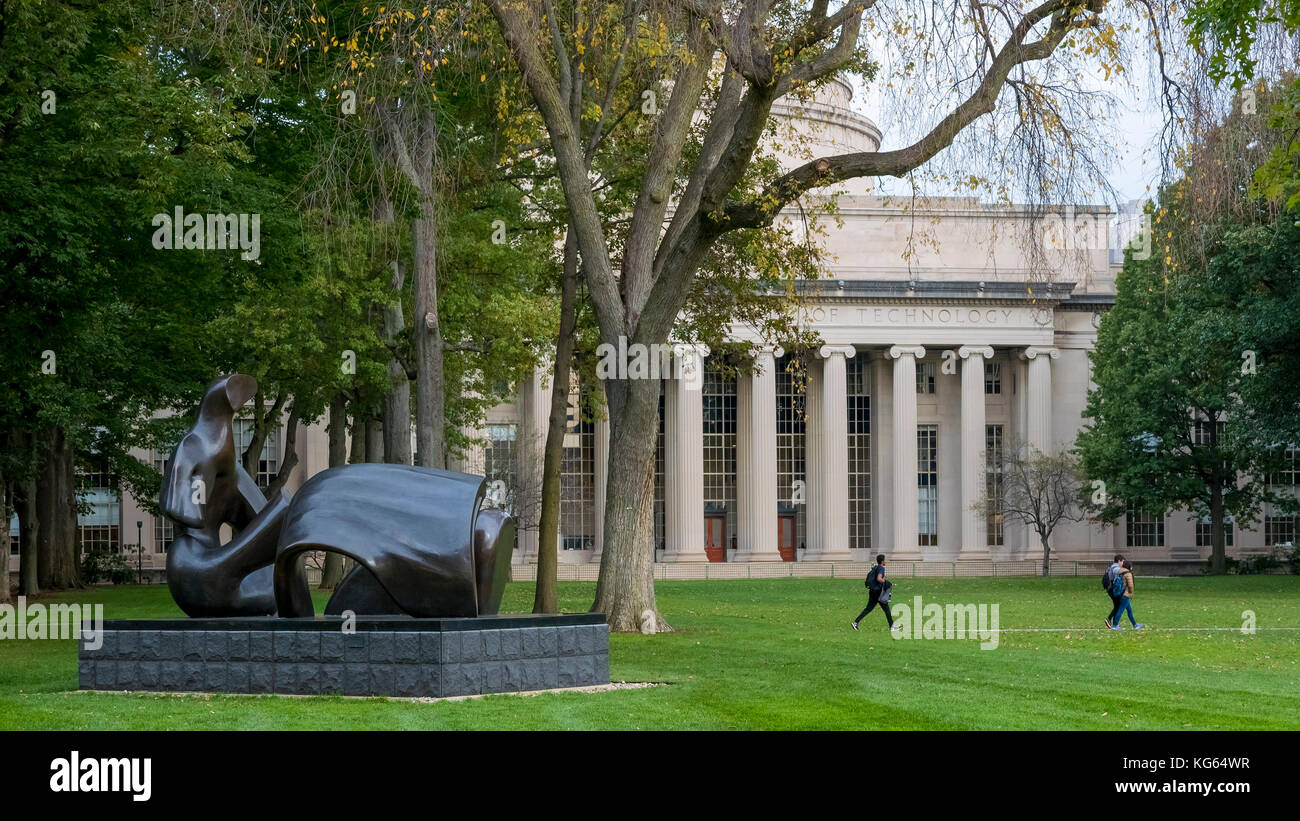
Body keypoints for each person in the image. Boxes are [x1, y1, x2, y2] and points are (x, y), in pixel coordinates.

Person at [852, 553, 902, 632]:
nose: (886, 561)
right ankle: (892, 627)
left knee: (868, 609)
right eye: (885, 560)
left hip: (872, 591)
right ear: (882, 561)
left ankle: (855, 622)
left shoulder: (875, 567)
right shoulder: (881, 568)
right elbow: (879, 578)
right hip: (878, 592)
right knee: (886, 609)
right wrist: (887, 582)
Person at [1111, 559, 1143, 630]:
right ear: (1129, 566)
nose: (1132, 567)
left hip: (1121, 594)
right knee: (1121, 610)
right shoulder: (1128, 574)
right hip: (1125, 595)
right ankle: (1115, 625)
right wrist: (1131, 593)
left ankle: (1135, 625)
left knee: (1129, 610)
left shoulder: (1120, 572)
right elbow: (1130, 585)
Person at [1104, 554, 1125, 628]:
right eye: (1122, 561)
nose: (1123, 563)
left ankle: (1113, 622)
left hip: (1110, 589)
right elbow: (1117, 573)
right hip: (1113, 590)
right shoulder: (1116, 567)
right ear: (1119, 561)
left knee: (1117, 605)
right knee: (1118, 605)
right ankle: (1112, 621)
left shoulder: (1111, 567)